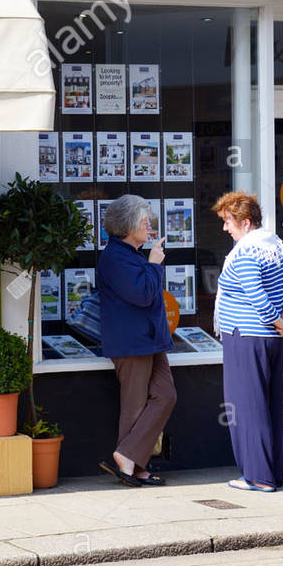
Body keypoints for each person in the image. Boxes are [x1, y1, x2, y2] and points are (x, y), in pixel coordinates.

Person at [212, 190, 283, 493]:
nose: (225, 228)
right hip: (274, 340)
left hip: (247, 338)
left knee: (247, 408)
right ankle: (272, 474)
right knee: (269, 405)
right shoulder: (276, 246)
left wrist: (280, 323)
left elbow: (257, 297)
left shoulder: (246, 252)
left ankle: (258, 477)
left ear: (246, 223)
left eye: (228, 221)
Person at [95, 194, 177, 486]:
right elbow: (143, 295)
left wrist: (150, 262)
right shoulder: (116, 257)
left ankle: (129, 456)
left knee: (166, 395)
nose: (149, 226)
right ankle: (132, 464)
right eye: (145, 222)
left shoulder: (129, 254)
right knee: (135, 404)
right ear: (129, 225)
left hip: (148, 340)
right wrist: (154, 263)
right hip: (132, 342)